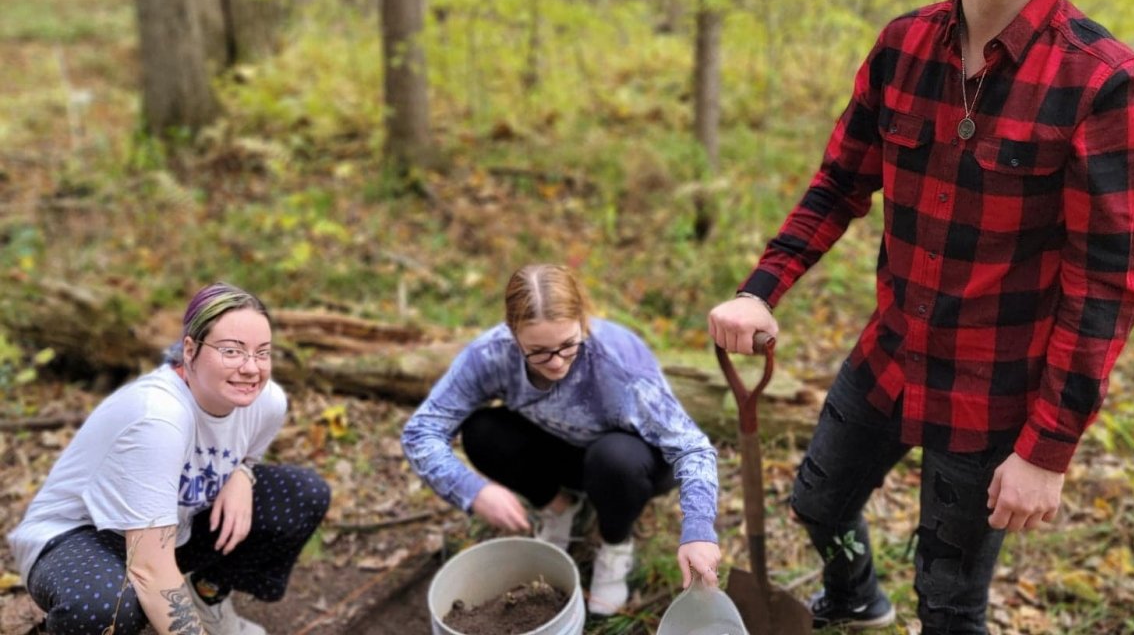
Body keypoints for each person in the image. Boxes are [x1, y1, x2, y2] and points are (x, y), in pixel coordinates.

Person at [708, 0, 1134, 632]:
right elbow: (839, 182)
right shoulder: (903, 44)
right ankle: (855, 597)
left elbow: (1107, 287)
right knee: (818, 504)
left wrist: (1047, 450)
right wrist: (759, 289)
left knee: (948, 606)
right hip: (890, 353)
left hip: (995, 388)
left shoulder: (1107, 82)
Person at [7, 282, 331, 635]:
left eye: (262, 352)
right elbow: (149, 566)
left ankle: (205, 598)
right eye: (232, 351)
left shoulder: (266, 402)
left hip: (174, 527)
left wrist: (242, 475)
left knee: (301, 495)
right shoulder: (158, 417)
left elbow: (249, 455)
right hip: (81, 535)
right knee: (104, 607)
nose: (251, 368)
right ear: (189, 351)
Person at [402, 263, 721, 615]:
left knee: (613, 459)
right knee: (481, 431)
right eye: (538, 351)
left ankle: (614, 543)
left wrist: (698, 529)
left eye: (567, 345)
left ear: (583, 322)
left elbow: (693, 448)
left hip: (631, 462)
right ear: (513, 333)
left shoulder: (618, 365)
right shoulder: (492, 355)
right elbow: (421, 431)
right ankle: (559, 507)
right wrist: (471, 490)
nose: (555, 363)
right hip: (562, 449)